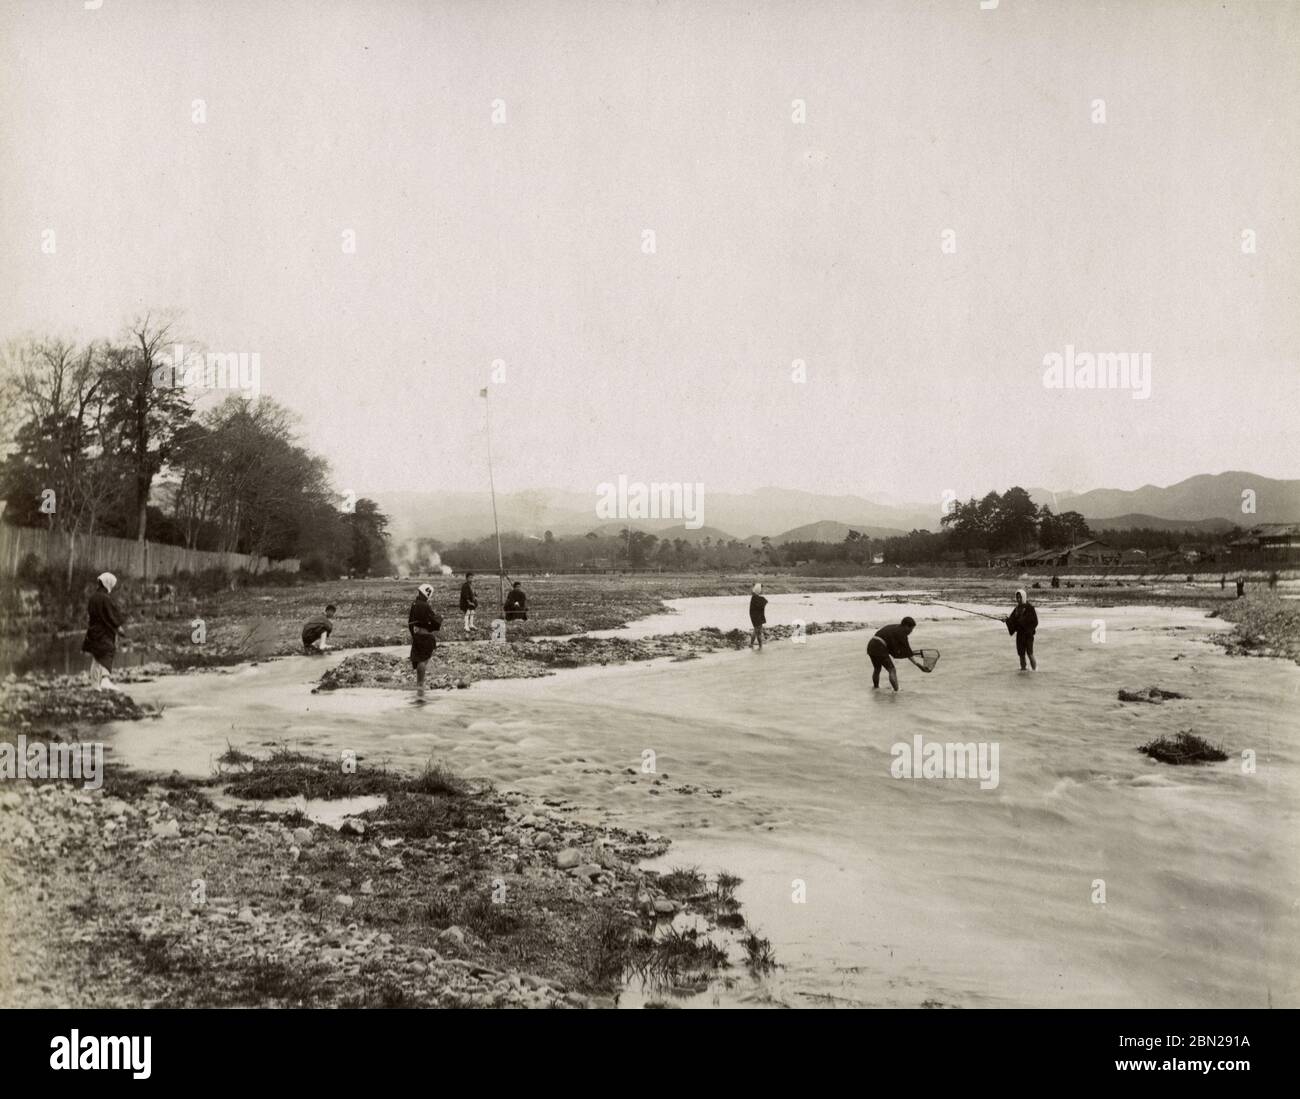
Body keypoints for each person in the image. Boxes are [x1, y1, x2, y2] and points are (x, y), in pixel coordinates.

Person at [81, 572, 126, 691]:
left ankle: (95, 685)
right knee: (108, 650)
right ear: (108, 584)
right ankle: (105, 679)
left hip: (92, 632)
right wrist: (119, 628)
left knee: (96, 657)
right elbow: (111, 616)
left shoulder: (93, 598)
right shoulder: (105, 599)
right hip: (103, 633)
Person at [867, 616, 923, 691]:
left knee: (877, 668)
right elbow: (908, 653)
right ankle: (897, 691)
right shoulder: (902, 633)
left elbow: (897, 650)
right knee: (892, 670)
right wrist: (918, 665)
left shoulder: (893, 627)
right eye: (911, 629)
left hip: (871, 644)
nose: (911, 631)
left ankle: (876, 688)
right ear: (906, 626)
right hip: (879, 646)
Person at [408, 583, 442, 690]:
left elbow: (410, 622)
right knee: (423, 660)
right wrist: (440, 619)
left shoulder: (414, 604)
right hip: (426, 636)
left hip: (417, 635)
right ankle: (421, 685)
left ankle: (419, 684)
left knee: (418, 660)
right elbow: (434, 621)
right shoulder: (425, 605)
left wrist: (413, 636)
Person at [1004, 588, 1038, 671]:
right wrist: (1006, 620)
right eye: (1017, 598)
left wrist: (1027, 628)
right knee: (1021, 654)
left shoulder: (1030, 608)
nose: (1018, 599)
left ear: (1024, 597)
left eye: (1020, 597)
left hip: (1028, 635)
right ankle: (1023, 670)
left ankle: (1035, 671)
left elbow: (1035, 622)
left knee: (1030, 654)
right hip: (1020, 635)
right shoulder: (1016, 609)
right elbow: (1012, 621)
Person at [748, 583, 768, 649]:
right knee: (757, 630)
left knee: (758, 630)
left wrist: (764, 601)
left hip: (756, 616)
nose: (762, 590)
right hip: (756, 617)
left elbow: (762, 603)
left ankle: (758, 645)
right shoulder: (755, 598)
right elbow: (761, 604)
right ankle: (755, 644)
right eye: (761, 589)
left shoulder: (755, 597)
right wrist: (764, 601)